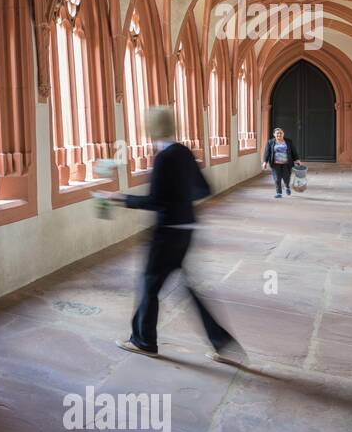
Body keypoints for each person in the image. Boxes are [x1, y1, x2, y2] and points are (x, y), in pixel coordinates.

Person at [95, 106, 246, 364]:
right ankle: (222, 342)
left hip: (166, 233)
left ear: (151, 127)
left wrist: (120, 198)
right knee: (182, 287)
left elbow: (155, 202)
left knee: (149, 284)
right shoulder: (184, 151)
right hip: (187, 229)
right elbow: (204, 189)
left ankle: (144, 341)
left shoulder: (163, 156)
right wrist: (180, 199)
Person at [261, 127, 299, 198]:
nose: (279, 134)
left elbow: (294, 151)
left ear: (283, 134)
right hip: (275, 163)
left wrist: (297, 160)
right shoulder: (270, 142)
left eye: (280, 133)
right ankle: (279, 193)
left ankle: (287, 186)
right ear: (274, 134)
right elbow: (267, 153)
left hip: (287, 163)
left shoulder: (288, 141)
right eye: (277, 133)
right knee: (277, 178)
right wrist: (264, 162)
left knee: (286, 177)